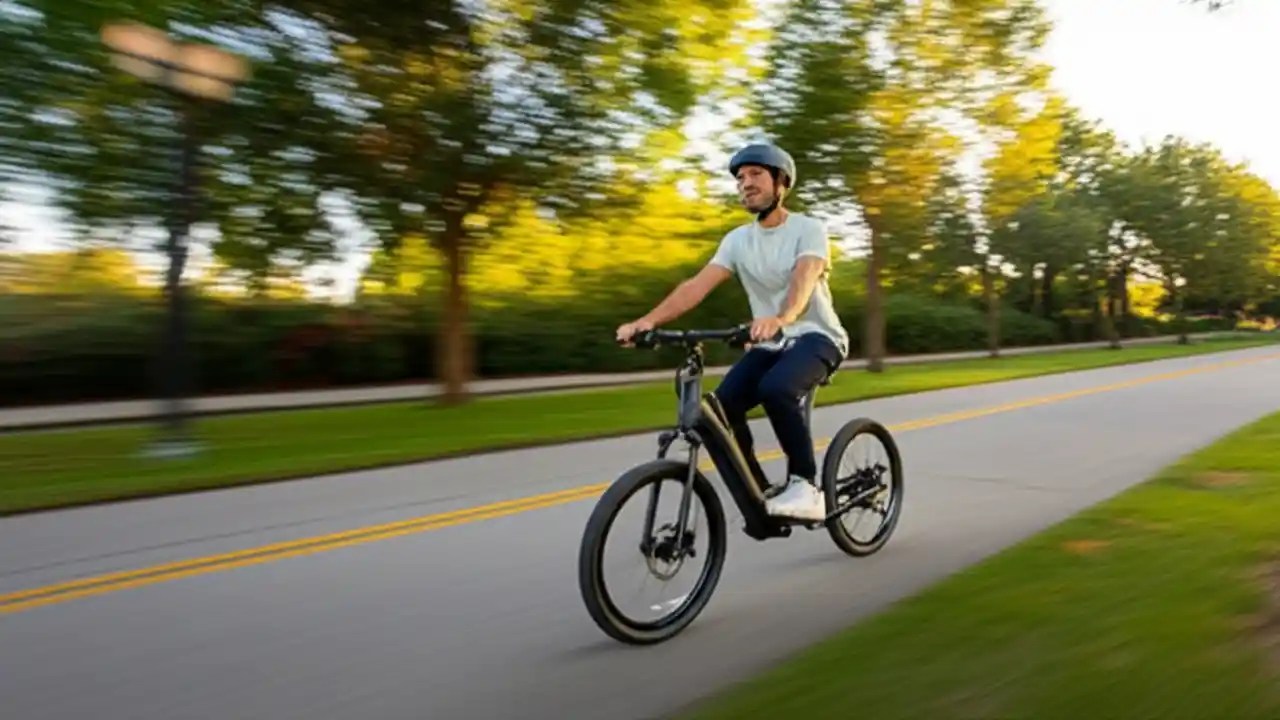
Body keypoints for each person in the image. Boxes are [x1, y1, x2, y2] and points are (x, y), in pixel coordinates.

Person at [616, 142, 849, 521]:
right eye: (740, 178)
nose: (746, 184)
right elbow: (696, 286)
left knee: (776, 389)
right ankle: (757, 492)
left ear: (780, 183)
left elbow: (804, 278)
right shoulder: (737, 240)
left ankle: (805, 486)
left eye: (756, 174)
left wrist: (781, 317)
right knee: (716, 410)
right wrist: (648, 322)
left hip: (816, 337)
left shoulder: (808, 229)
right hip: (771, 343)